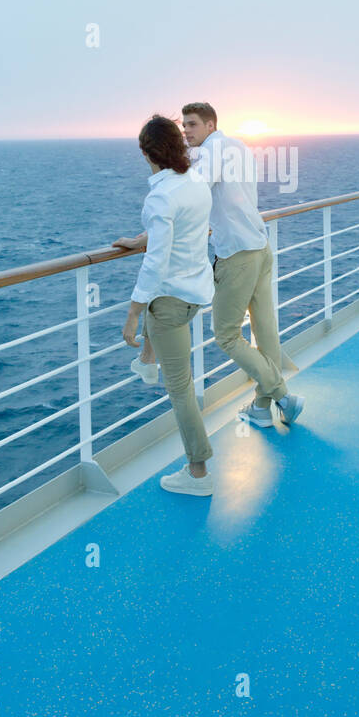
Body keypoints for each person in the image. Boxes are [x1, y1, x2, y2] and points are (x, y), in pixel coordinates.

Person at [181, 101, 304, 429]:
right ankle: (262, 408)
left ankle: (282, 395)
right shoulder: (238, 146)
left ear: (209, 125)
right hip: (260, 247)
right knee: (265, 330)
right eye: (183, 125)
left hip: (236, 255)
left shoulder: (209, 153)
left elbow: (193, 194)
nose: (185, 131)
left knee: (225, 334)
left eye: (191, 125)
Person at [114, 115, 215, 496]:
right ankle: (146, 364)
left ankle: (199, 473)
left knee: (181, 391)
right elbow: (175, 231)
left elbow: (156, 262)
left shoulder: (160, 195)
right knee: (166, 353)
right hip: (194, 295)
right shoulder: (194, 183)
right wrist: (141, 239)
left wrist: (132, 313)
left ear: (146, 153)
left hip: (169, 302)